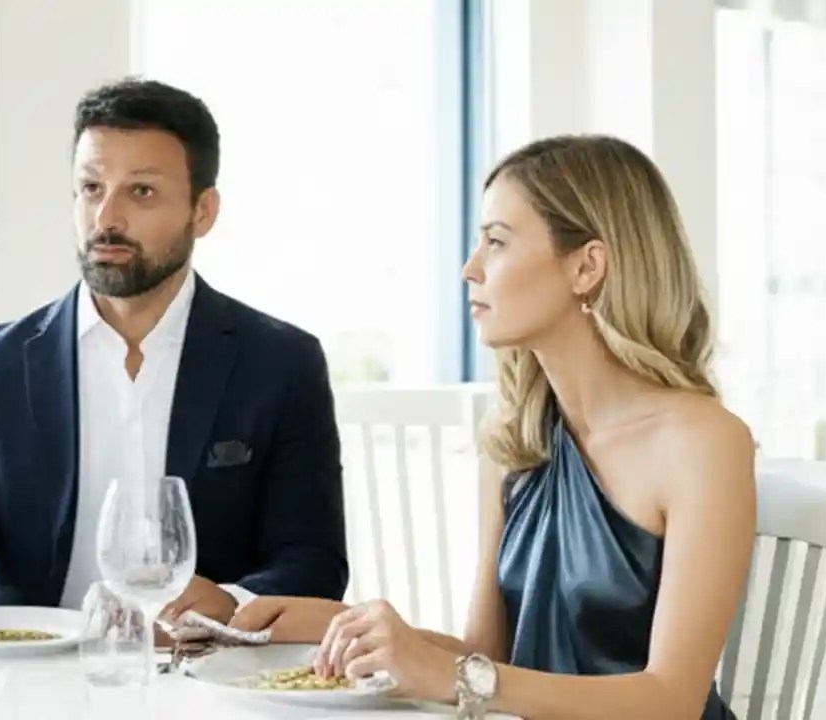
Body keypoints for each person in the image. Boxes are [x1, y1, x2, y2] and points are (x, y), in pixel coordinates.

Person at [232, 135, 755, 719]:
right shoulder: (515, 440)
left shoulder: (703, 444)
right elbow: (489, 659)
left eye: (497, 242)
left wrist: (448, 673)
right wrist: (343, 623)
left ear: (586, 266)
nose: (470, 268)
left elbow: (671, 700)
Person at [0, 79, 348, 623]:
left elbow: (312, 561)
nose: (106, 219)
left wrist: (227, 603)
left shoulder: (281, 364)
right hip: (29, 665)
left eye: (141, 191)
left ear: (203, 211)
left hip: (203, 664)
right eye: (91, 188)